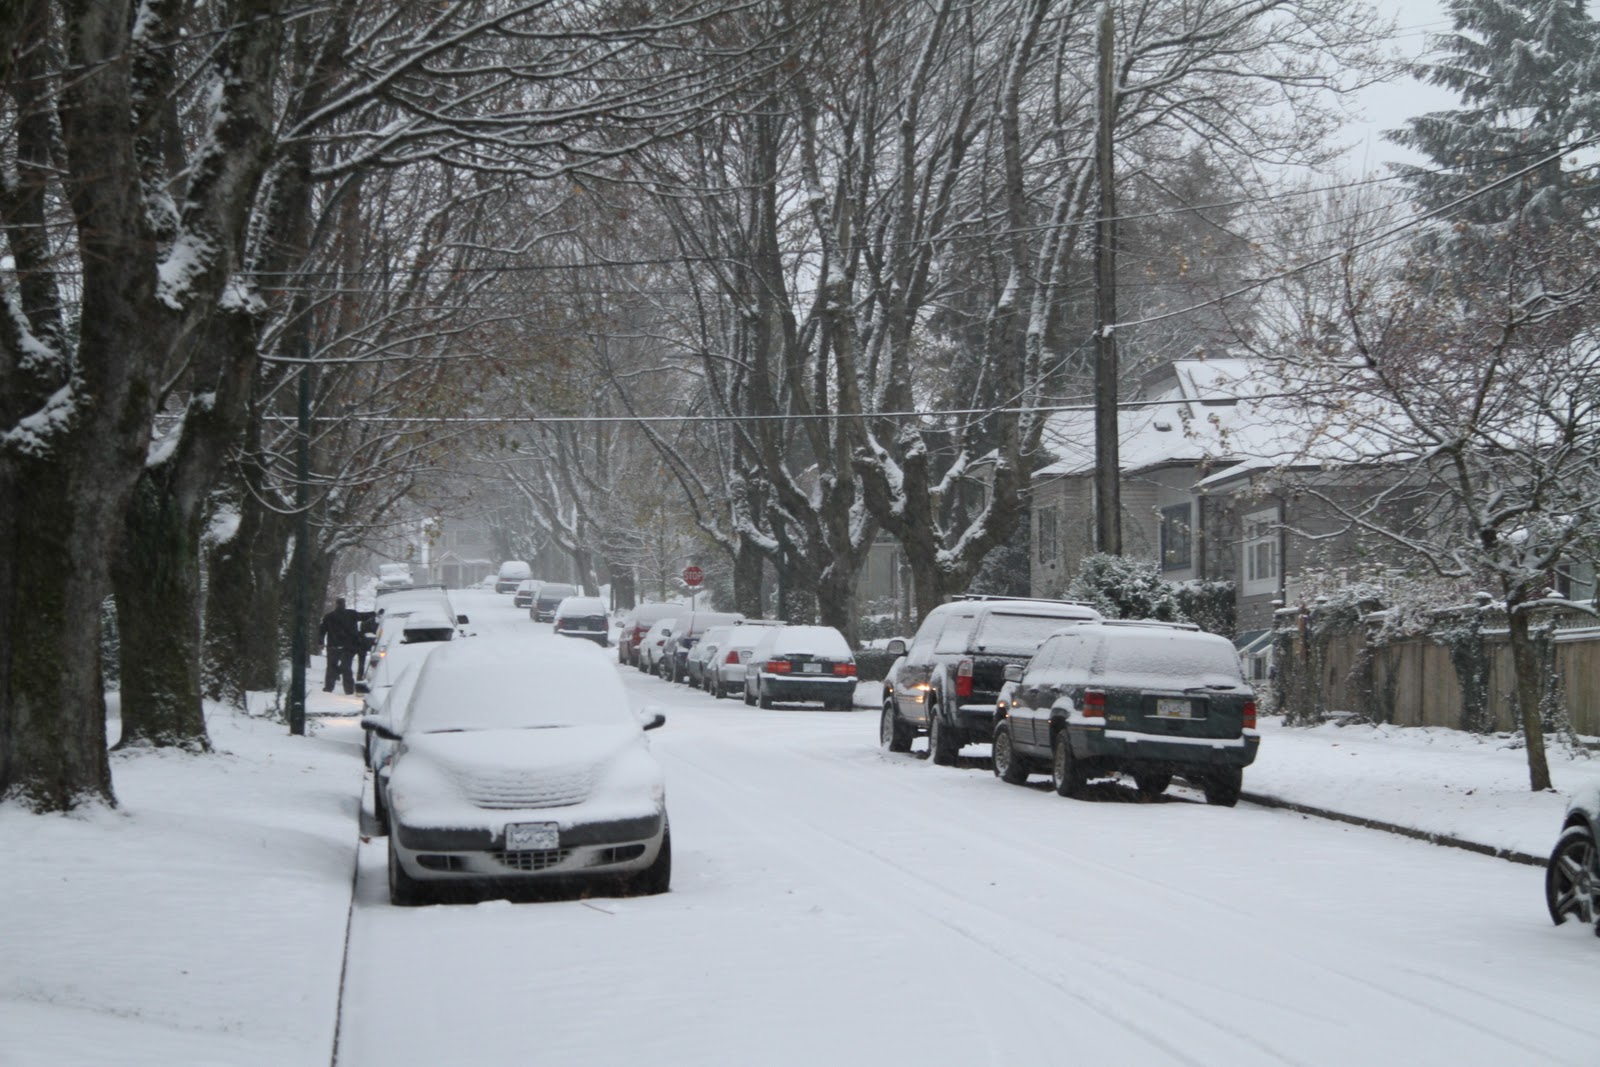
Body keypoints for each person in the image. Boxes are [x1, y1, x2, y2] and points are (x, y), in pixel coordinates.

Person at [317, 597, 362, 694]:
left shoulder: (329, 616)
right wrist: (375, 614)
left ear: (336, 604)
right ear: (344, 604)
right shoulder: (351, 614)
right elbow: (363, 616)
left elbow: (322, 630)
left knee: (331, 667)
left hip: (333, 646)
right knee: (347, 668)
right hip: (348, 647)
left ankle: (329, 688)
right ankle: (349, 690)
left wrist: (321, 642)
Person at [354, 610, 378, 679]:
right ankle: (360, 676)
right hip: (364, 644)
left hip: (359, 643)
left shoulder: (364, 623)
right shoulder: (374, 623)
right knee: (362, 661)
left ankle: (359, 675)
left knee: (360, 661)